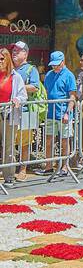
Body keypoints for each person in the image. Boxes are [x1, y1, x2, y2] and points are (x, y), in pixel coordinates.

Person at [10, 40, 40, 182]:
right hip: (11, 111)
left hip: (26, 111)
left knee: (24, 142)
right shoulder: (9, 68)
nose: (14, 52)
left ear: (26, 53)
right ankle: (10, 167)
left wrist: (18, 87)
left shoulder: (30, 69)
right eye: (13, 50)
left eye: (18, 50)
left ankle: (23, 169)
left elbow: (35, 87)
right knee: (10, 140)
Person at [44, 50, 77, 177]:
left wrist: (67, 113)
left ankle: (65, 166)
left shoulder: (69, 75)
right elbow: (47, 92)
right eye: (53, 65)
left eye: (57, 64)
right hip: (50, 113)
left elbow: (72, 96)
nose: (54, 67)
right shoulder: (49, 75)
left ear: (63, 62)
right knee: (48, 140)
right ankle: (48, 166)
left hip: (63, 114)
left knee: (64, 141)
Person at [0, 46, 27, 185]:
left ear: (7, 59)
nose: (0, 61)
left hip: (8, 114)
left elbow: (23, 96)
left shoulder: (15, 77)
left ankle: (9, 176)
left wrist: (17, 99)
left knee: (8, 146)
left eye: (2, 59)